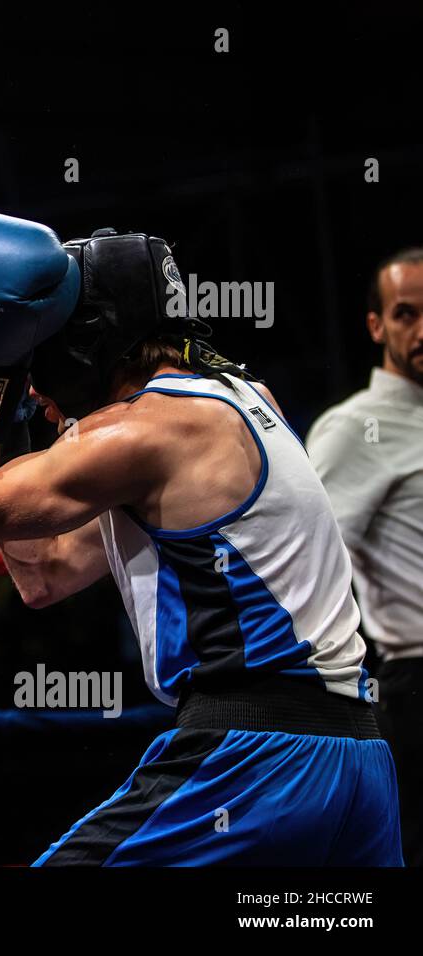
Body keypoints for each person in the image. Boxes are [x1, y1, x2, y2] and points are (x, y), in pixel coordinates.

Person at [0, 209, 402, 865]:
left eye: (41, 351)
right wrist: (20, 417)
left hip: (256, 757)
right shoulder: (237, 401)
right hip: (360, 762)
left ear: (89, 339)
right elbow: (45, 575)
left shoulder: (143, 432)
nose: (36, 377)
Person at [307, 247, 423, 865]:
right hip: (414, 686)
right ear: (377, 326)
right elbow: (300, 555)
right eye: (406, 313)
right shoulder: (357, 427)